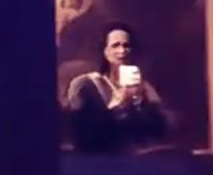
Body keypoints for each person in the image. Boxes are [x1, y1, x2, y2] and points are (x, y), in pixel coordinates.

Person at [65, 22, 171, 153]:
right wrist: (116, 107)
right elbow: (83, 134)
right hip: (98, 163)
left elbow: (160, 130)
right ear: (105, 51)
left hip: (137, 163)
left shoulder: (145, 88)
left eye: (126, 46)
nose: (122, 51)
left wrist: (143, 104)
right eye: (115, 46)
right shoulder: (85, 85)